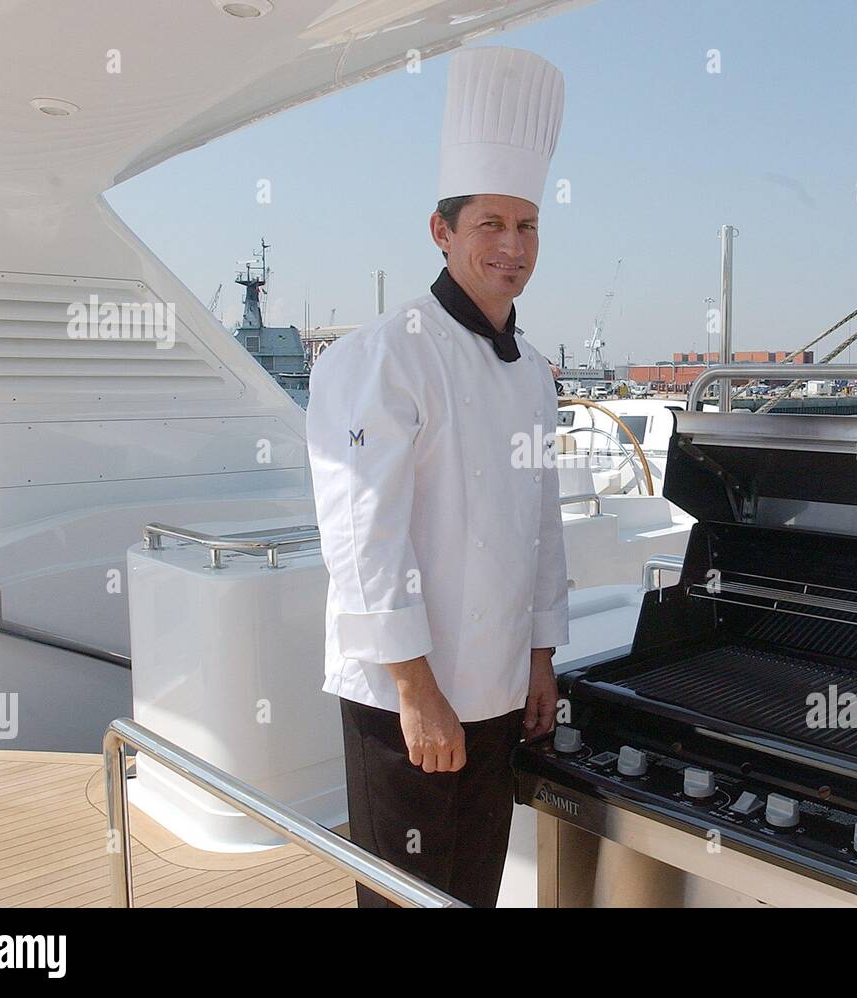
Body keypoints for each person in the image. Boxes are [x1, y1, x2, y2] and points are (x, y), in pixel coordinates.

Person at [305, 47, 569, 908]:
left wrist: (539, 658)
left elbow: (540, 525)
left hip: (495, 689)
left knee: (473, 895)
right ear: (442, 231)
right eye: (490, 224)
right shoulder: (379, 358)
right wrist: (417, 695)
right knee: (407, 899)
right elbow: (362, 541)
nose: (512, 247)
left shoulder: (532, 370)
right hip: (404, 697)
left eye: (526, 226)